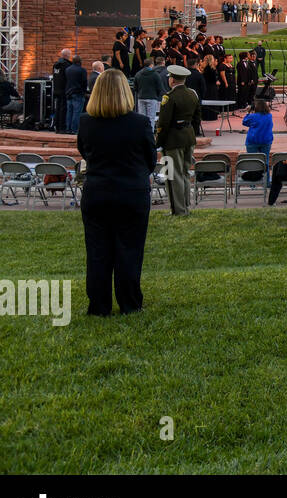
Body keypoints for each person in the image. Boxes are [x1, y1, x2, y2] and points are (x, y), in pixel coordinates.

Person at [77, 69, 156, 316]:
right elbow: (150, 159)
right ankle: (129, 303)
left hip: (97, 193)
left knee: (97, 252)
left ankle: (99, 305)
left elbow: (84, 152)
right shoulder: (140, 124)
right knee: (130, 250)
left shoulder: (86, 122)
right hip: (131, 194)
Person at [156, 64, 201, 216]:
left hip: (172, 140)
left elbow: (163, 123)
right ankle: (186, 206)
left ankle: (178, 210)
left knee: (172, 175)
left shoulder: (169, 97)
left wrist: (159, 142)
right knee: (185, 173)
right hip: (188, 137)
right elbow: (197, 118)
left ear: (172, 80)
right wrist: (191, 132)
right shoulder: (192, 94)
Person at [133, 56, 168, 128]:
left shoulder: (138, 74)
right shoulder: (155, 74)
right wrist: (156, 94)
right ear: (151, 65)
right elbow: (160, 88)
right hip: (152, 98)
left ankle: (142, 132)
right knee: (151, 118)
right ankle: (150, 133)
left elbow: (135, 87)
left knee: (142, 117)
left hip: (141, 98)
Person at [242, 98, 275, 175]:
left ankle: (253, 180)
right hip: (266, 141)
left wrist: (248, 112)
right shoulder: (269, 116)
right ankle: (266, 180)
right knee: (265, 161)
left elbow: (244, 122)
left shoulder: (253, 116)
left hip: (253, 141)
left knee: (252, 161)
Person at [64, 55, 88, 134]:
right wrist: (84, 92)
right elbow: (84, 82)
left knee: (69, 112)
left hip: (69, 93)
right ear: (80, 61)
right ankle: (74, 129)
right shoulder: (82, 70)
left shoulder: (67, 69)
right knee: (77, 112)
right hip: (78, 93)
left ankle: (68, 128)